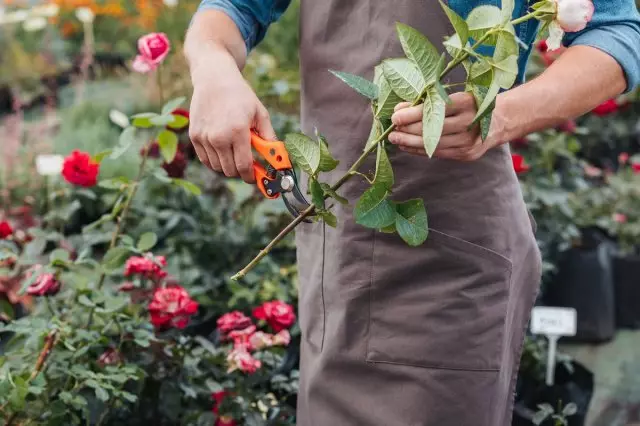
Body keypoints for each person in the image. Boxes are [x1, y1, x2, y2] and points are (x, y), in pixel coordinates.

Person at [185, 1, 640, 424]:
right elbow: (233, 9)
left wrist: (499, 115)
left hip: (447, 268)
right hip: (337, 255)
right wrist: (213, 67)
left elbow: (617, 33)